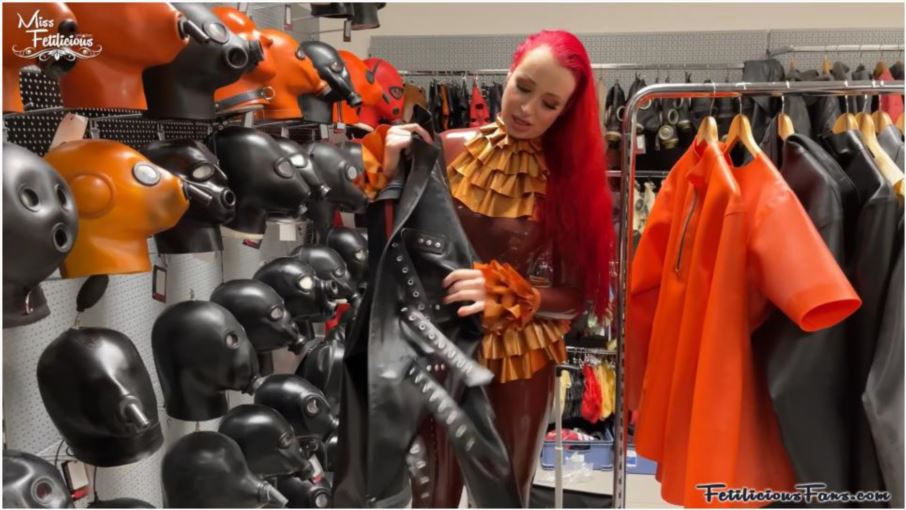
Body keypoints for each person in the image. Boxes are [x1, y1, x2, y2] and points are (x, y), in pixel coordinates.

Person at [356, 29, 614, 505]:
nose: (527, 110)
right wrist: (388, 171)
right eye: (523, 87)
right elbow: (396, 244)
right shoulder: (448, 148)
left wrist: (508, 291)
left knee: (505, 493)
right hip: (439, 338)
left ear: (565, 112)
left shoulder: (567, 180)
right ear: (509, 73)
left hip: (520, 353)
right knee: (432, 494)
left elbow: (574, 297)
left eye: (549, 104)